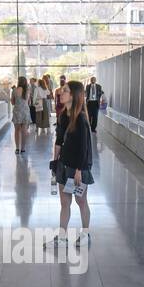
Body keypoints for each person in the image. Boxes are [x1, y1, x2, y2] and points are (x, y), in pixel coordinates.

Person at [53, 80, 92, 245]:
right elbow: (59, 141)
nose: (61, 93)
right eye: (62, 90)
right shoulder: (63, 116)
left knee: (81, 201)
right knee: (64, 202)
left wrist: (78, 171)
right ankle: (61, 237)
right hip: (63, 166)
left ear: (74, 95)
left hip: (77, 169)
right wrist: (55, 163)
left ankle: (85, 235)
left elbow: (84, 149)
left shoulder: (81, 119)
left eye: (65, 91)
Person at [11, 75, 31, 153]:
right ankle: (23, 148)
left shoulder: (15, 90)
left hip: (17, 111)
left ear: (18, 82)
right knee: (24, 131)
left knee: (17, 130)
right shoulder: (28, 90)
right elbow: (29, 102)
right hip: (25, 111)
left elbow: (12, 102)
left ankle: (17, 148)